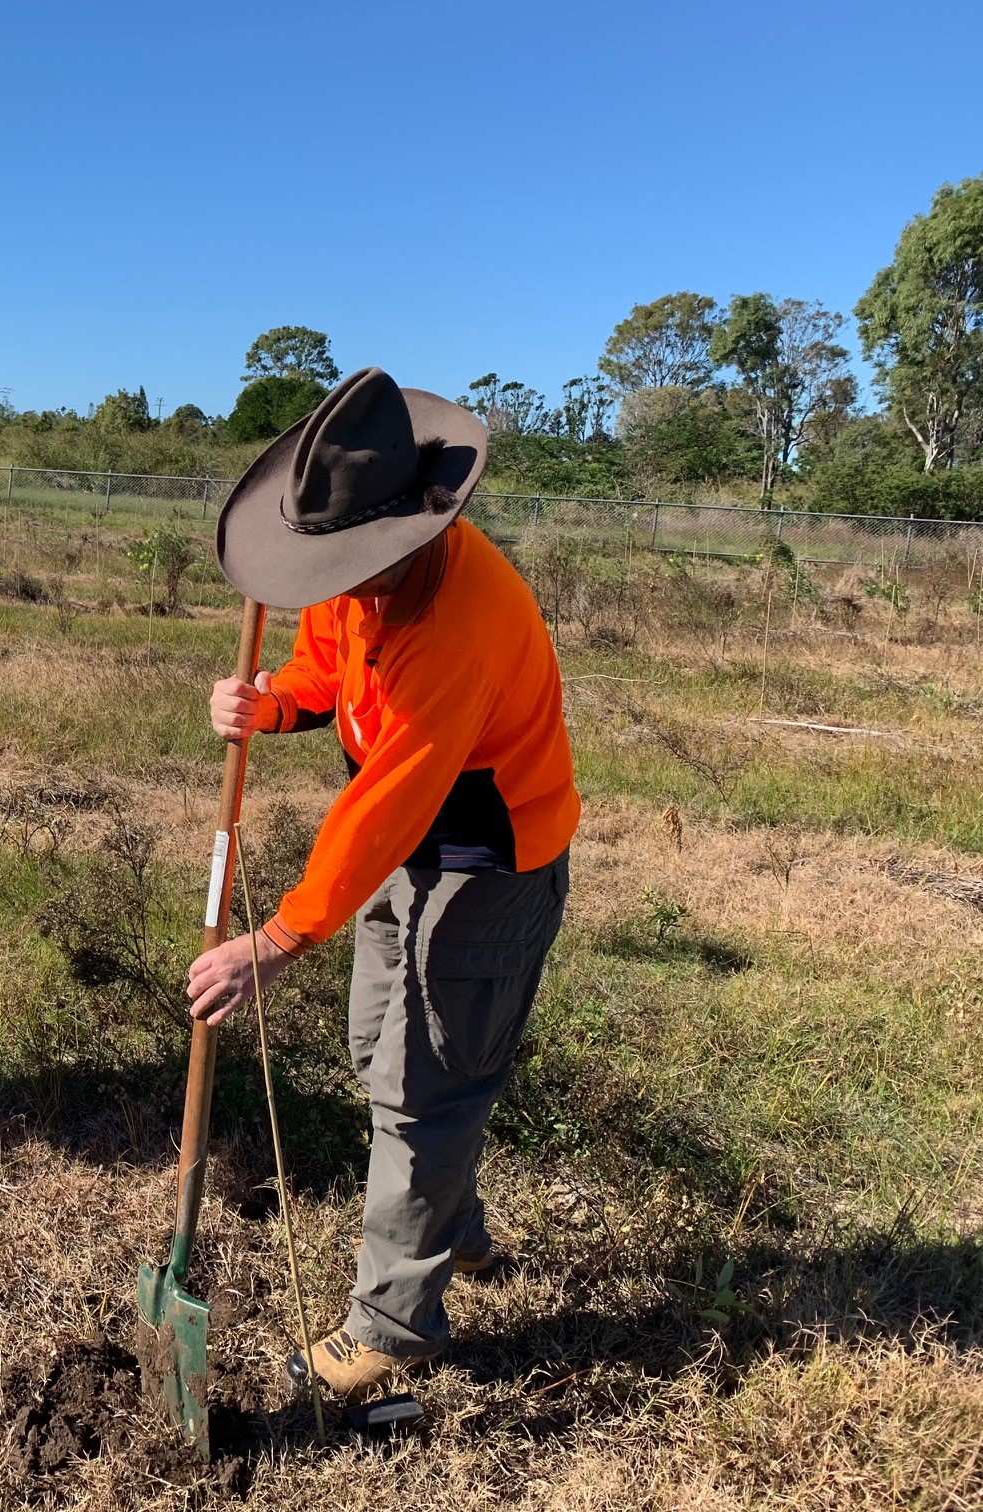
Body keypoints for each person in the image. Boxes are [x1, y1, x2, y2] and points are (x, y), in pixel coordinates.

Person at [189, 368, 579, 1407]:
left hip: (490, 864)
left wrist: (271, 943)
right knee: (379, 1048)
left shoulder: (460, 620)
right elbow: (326, 678)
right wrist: (267, 706)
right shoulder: (352, 586)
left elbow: (386, 804)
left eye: (355, 566)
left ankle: (397, 1325)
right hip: (409, 851)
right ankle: (451, 1225)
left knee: (422, 1090)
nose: (339, 585)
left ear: (411, 532)